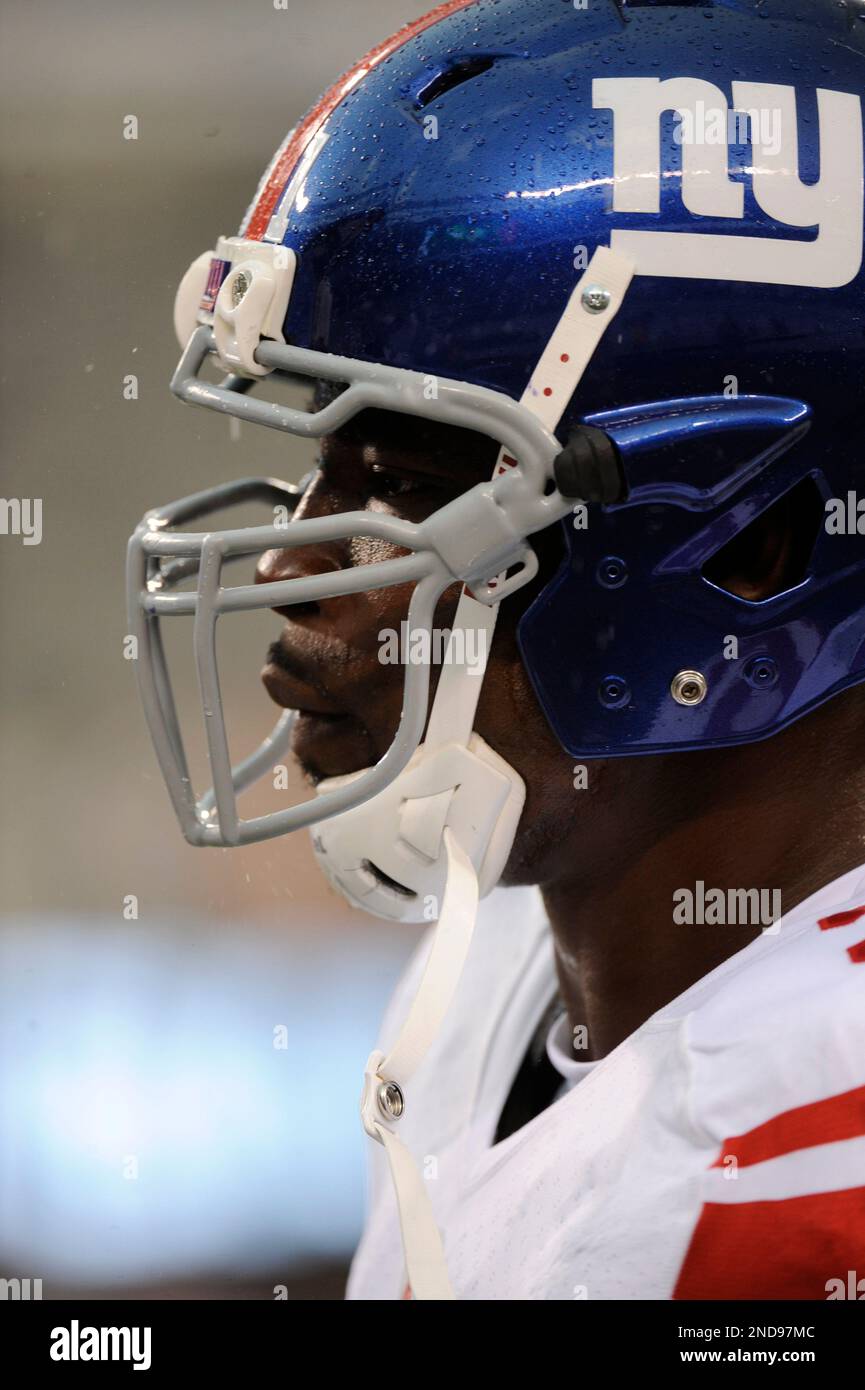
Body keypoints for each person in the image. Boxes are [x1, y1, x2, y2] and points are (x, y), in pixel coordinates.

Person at [129, 0, 865, 1299]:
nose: (292, 563)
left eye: (409, 478)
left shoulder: (793, 1210)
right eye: (325, 465)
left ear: (747, 554)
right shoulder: (512, 967)